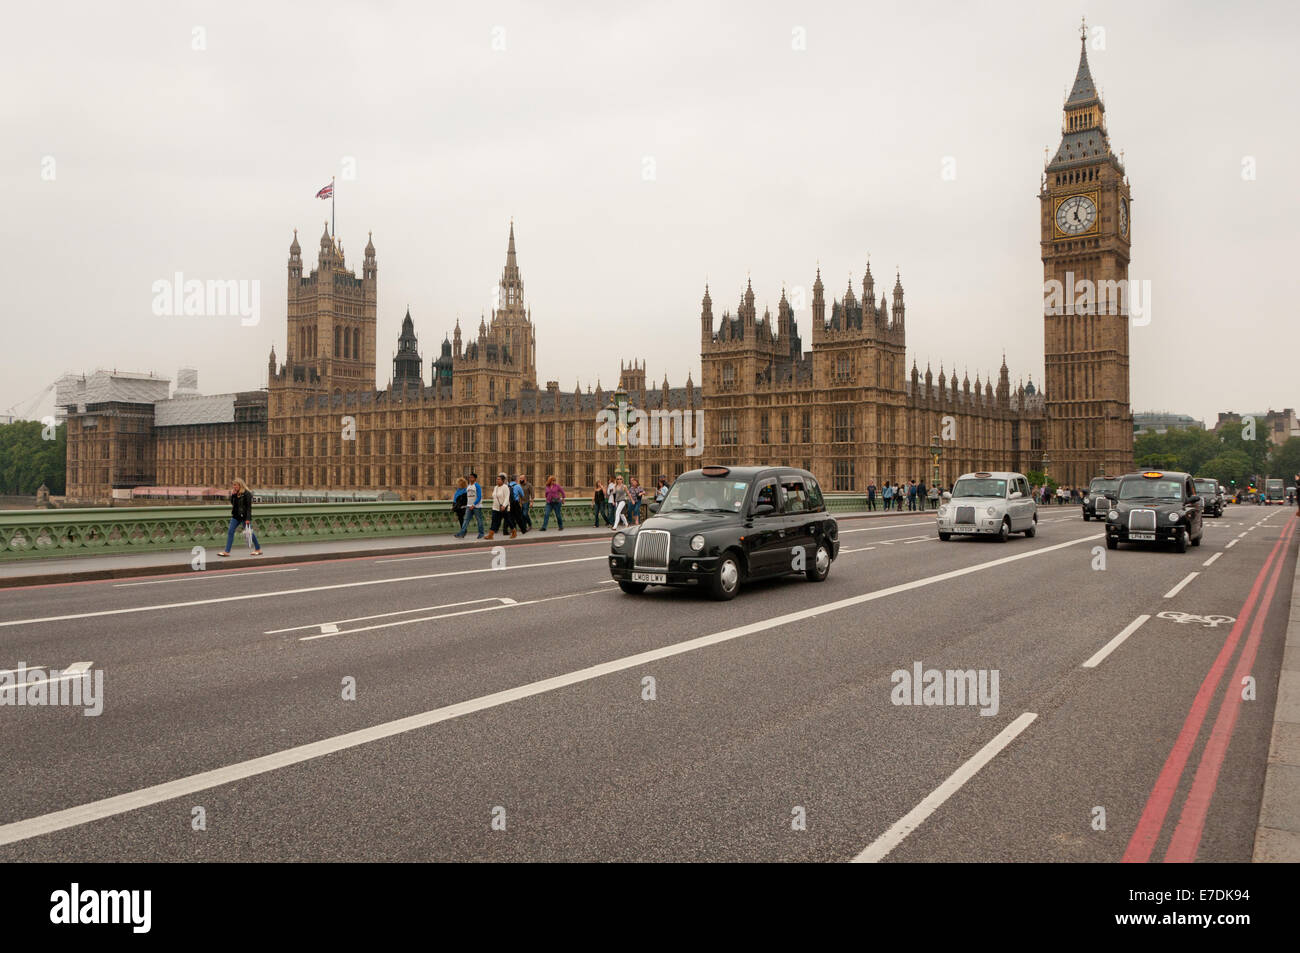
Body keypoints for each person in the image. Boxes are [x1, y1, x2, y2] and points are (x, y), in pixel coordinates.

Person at [218, 477, 261, 556]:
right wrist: (233, 496)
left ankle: (258, 548)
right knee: (230, 532)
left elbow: (248, 508)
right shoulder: (236, 493)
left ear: (240, 485)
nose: (234, 487)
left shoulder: (247, 494)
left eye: (235, 485)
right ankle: (227, 551)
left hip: (244, 517)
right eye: (233, 485)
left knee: (250, 533)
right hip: (235, 516)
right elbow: (233, 504)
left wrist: (248, 519)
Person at [453, 472, 485, 539]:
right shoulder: (468, 486)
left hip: (476, 506)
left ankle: (481, 533)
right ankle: (461, 533)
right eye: (469, 477)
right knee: (466, 520)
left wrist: (474, 504)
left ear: (475, 478)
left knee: (479, 520)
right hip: (468, 506)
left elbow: (479, 497)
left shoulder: (477, 486)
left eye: (471, 477)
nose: (470, 478)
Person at [487, 472, 515, 540]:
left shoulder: (505, 487)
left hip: (503, 508)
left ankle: (514, 532)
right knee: (494, 521)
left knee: (508, 520)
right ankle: (490, 535)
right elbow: (494, 496)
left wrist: (504, 506)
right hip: (496, 507)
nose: (497, 480)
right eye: (497, 479)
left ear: (503, 480)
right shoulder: (495, 487)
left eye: (499, 479)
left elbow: (507, 497)